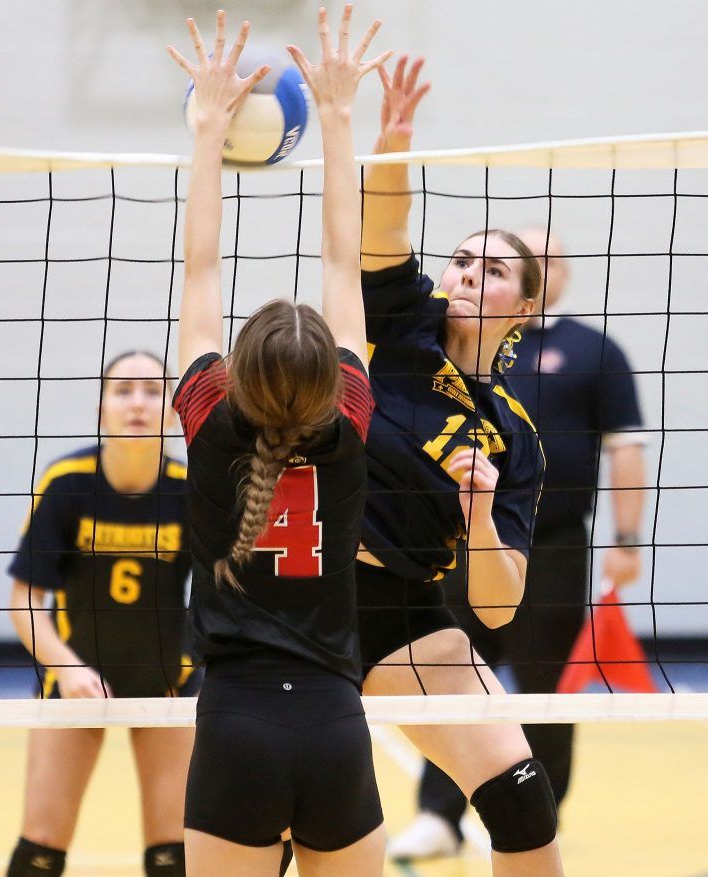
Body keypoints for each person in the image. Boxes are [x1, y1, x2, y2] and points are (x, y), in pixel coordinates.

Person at [167, 8, 391, 876]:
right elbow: (345, 264)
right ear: (336, 380)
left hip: (235, 728)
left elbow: (199, 270)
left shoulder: (209, 416)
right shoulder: (352, 421)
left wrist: (206, 132)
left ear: (237, 368)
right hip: (335, 724)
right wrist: (338, 119)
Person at [356, 56, 566, 875]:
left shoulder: (513, 436)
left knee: (520, 797)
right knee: (290, 821)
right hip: (302, 592)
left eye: (495, 268)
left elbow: (497, 601)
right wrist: (394, 140)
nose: (470, 273)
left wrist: (479, 515)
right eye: (462, 260)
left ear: (526, 304)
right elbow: (382, 229)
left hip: (403, 611)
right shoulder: (403, 326)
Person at [390, 227, 647, 860]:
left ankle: (538, 814)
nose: (475, 274)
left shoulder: (596, 350)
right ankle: (438, 816)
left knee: (545, 685)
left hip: (554, 542)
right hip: (451, 540)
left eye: (546, 257)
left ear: (540, 285)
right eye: (466, 262)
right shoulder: (436, 343)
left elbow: (628, 449)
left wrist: (627, 539)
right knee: (452, 670)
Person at [6, 350, 198, 877]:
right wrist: (66, 670)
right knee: (40, 848)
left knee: (173, 854)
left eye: (153, 391)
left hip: (167, 683)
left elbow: (223, 595)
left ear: (173, 410)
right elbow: (25, 600)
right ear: (101, 409)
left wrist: (187, 664)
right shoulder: (68, 483)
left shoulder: (190, 490)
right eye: (123, 390)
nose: (137, 403)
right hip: (75, 678)